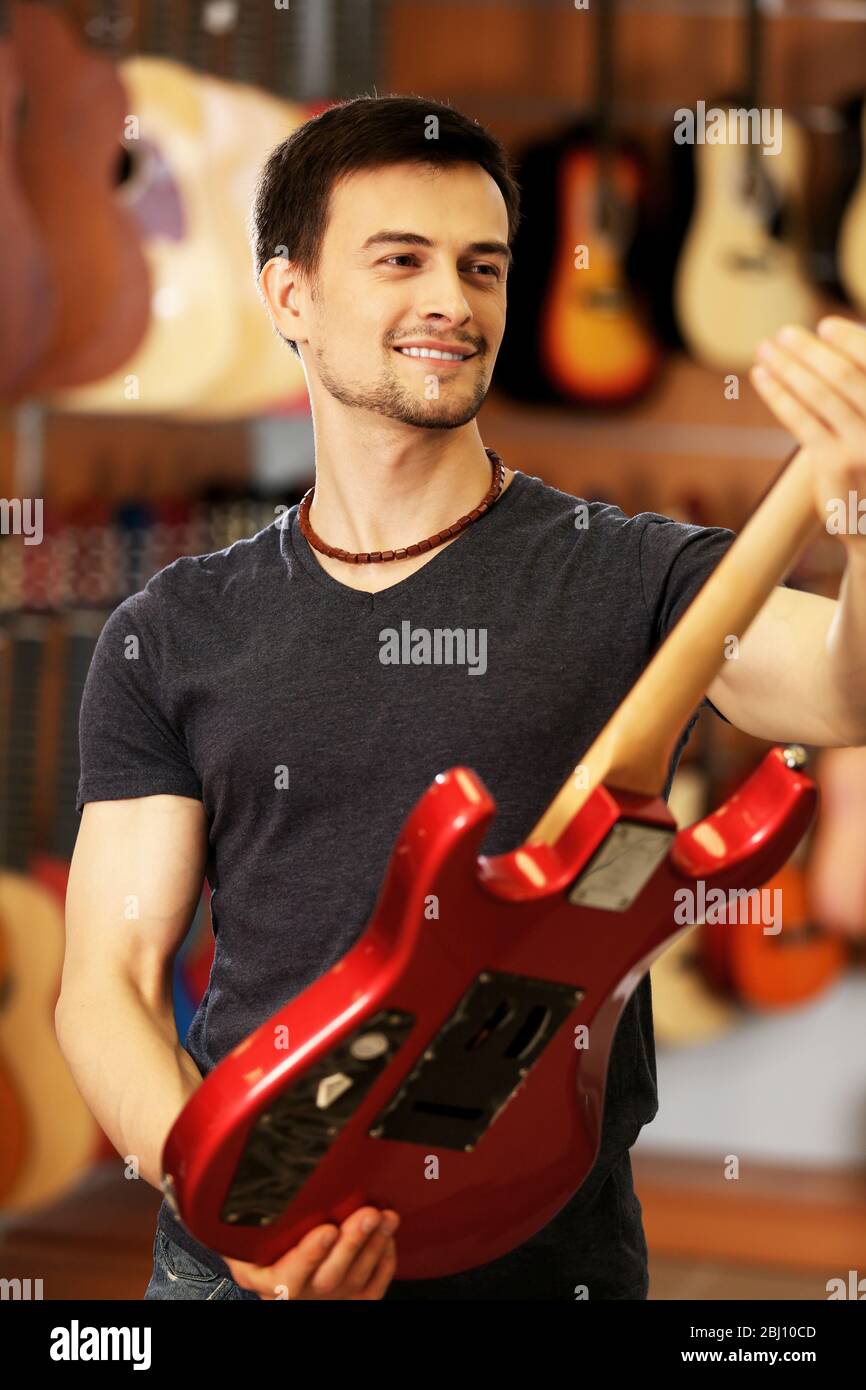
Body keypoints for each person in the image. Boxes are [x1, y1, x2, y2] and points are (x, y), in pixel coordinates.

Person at [58, 94, 866, 1302]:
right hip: (246, 1252)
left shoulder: (627, 573)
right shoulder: (170, 631)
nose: (454, 299)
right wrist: (237, 1218)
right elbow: (109, 979)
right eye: (402, 260)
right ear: (287, 295)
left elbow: (840, 688)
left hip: (546, 1246)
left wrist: (859, 523)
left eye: (481, 266)